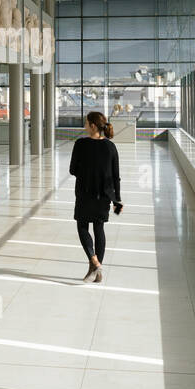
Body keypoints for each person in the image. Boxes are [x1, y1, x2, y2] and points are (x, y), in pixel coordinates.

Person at [69, 111, 122, 283]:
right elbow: (116, 176)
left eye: (86, 123)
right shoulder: (110, 147)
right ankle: (97, 271)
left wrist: (86, 173)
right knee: (99, 229)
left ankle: (94, 261)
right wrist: (117, 199)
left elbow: (72, 170)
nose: (84, 125)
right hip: (104, 195)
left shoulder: (80, 144)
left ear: (92, 125)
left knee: (82, 227)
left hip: (84, 192)